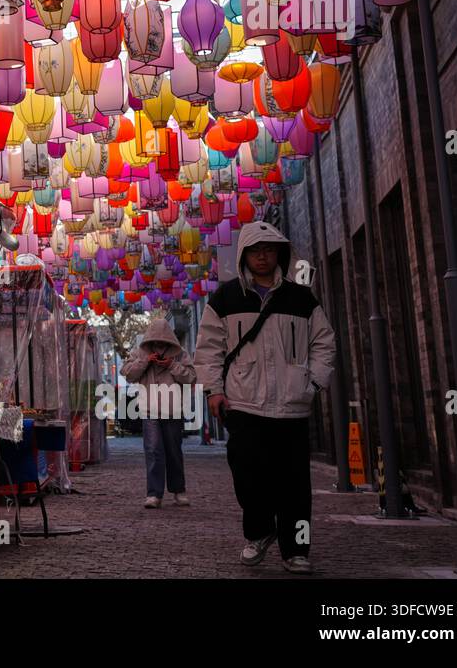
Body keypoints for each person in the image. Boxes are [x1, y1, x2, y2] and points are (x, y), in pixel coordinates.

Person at [194, 221, 337, 575]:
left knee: (295, 485)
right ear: (244, 254)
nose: (262, 256)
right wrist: (214, 389)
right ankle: (259, 533)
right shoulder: (225, 298)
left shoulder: (301, 298)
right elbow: (209, 350)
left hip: (292, 406)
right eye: (256, 250)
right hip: (243, 404)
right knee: (247, 475)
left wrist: (313, 383)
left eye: (269, 249)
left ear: (279, 254)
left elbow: (325, 342)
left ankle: (297, 549)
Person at [121, 317, 196, 509]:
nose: (159, 345)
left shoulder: (180, 353)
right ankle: (154, 494)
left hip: (173, 410)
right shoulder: (140, 352)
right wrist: (146, 361)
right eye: (156, 342)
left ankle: (178, 490)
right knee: (153, 451)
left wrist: (171, 365)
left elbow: (191, 377)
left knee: (173, 452)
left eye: (163, 342)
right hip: (149, 410)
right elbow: (128, 373)